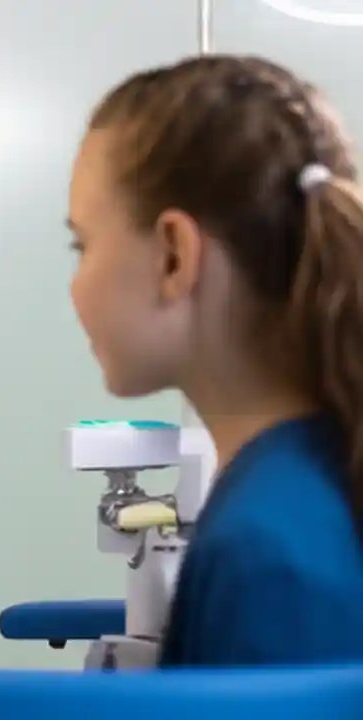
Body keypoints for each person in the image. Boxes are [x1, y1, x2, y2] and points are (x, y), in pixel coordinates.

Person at [66, 53, 363, 666]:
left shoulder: (267, 556)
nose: (75, 285)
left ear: (174, 255)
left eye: (83, 244)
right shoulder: (308, 481)